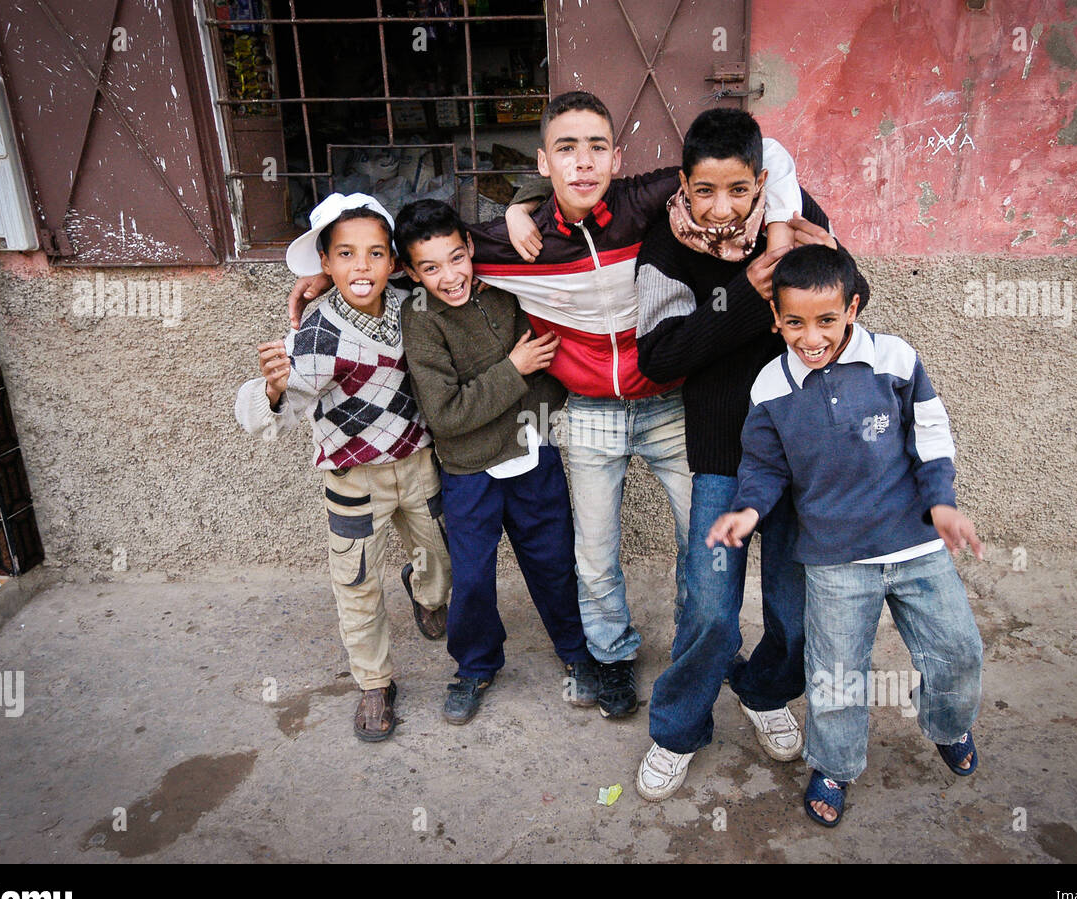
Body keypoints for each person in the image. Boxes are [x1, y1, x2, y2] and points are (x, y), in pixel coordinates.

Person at [288, 91, 806, 719]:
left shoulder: (650, 204)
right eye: (566, 150)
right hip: (586, 408)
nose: (583, 164)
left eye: (596, 149)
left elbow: (759, 154)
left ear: (616, 158)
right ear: (543, 161)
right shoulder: (513, 245)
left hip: (671, 403)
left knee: (701, 545)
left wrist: (777, 231)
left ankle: (699, 649)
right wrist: (334, 275)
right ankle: (612, 659)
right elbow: (429, 254)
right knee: (591, 554)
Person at [631, 107, 865, 799]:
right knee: (709, 608)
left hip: (803, 458)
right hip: (722, 454)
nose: (722, 207)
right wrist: (744, 294)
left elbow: (854, 298)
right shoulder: (667, 244)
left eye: (738, 189)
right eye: (705, 190)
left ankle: (763, 689)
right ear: (683, 184)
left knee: (798, 612)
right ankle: (677, 729)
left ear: (761, 180)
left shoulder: (794, 217)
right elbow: (659, 353)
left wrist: (803, 272)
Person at [707, 243, 984, 826]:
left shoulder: (896, 361)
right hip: (834, 558)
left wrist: (942, 505)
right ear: (776, 318)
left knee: (958, 649)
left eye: (827, 320)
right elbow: (763, 466)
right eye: (795, 323)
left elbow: (930, 434)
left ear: (852, 308)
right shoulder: (770, 388)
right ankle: (833, 764)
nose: (811, 337)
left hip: (914, 544)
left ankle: (948, 723)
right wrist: (749, 511)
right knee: (835, 674)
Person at [236, 192, 451, 743]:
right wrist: (273, 389)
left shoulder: (412, 301)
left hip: (419, 461)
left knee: (440, 553)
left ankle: (426, 594)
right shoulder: (314, 335)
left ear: (394, 261)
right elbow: (266, 417)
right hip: (354, 480)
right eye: (347, 255)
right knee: (356, 581)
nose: (362, 266)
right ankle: (375, 682)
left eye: (376, 253)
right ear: (325, 264)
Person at [394, 198, 597, 724]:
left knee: (554, 564)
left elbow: (552, 191)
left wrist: (513, 209)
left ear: (470, 248)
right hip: (468, 474)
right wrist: (514, 368)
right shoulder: (420, 319)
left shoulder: (505, 286)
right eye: (430, 268)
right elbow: (445, 414)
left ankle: (576, 652)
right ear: (411, 273)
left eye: (457, 258)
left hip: (534, 457)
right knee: (474, 578)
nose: (449, 276)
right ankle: (476, 665)